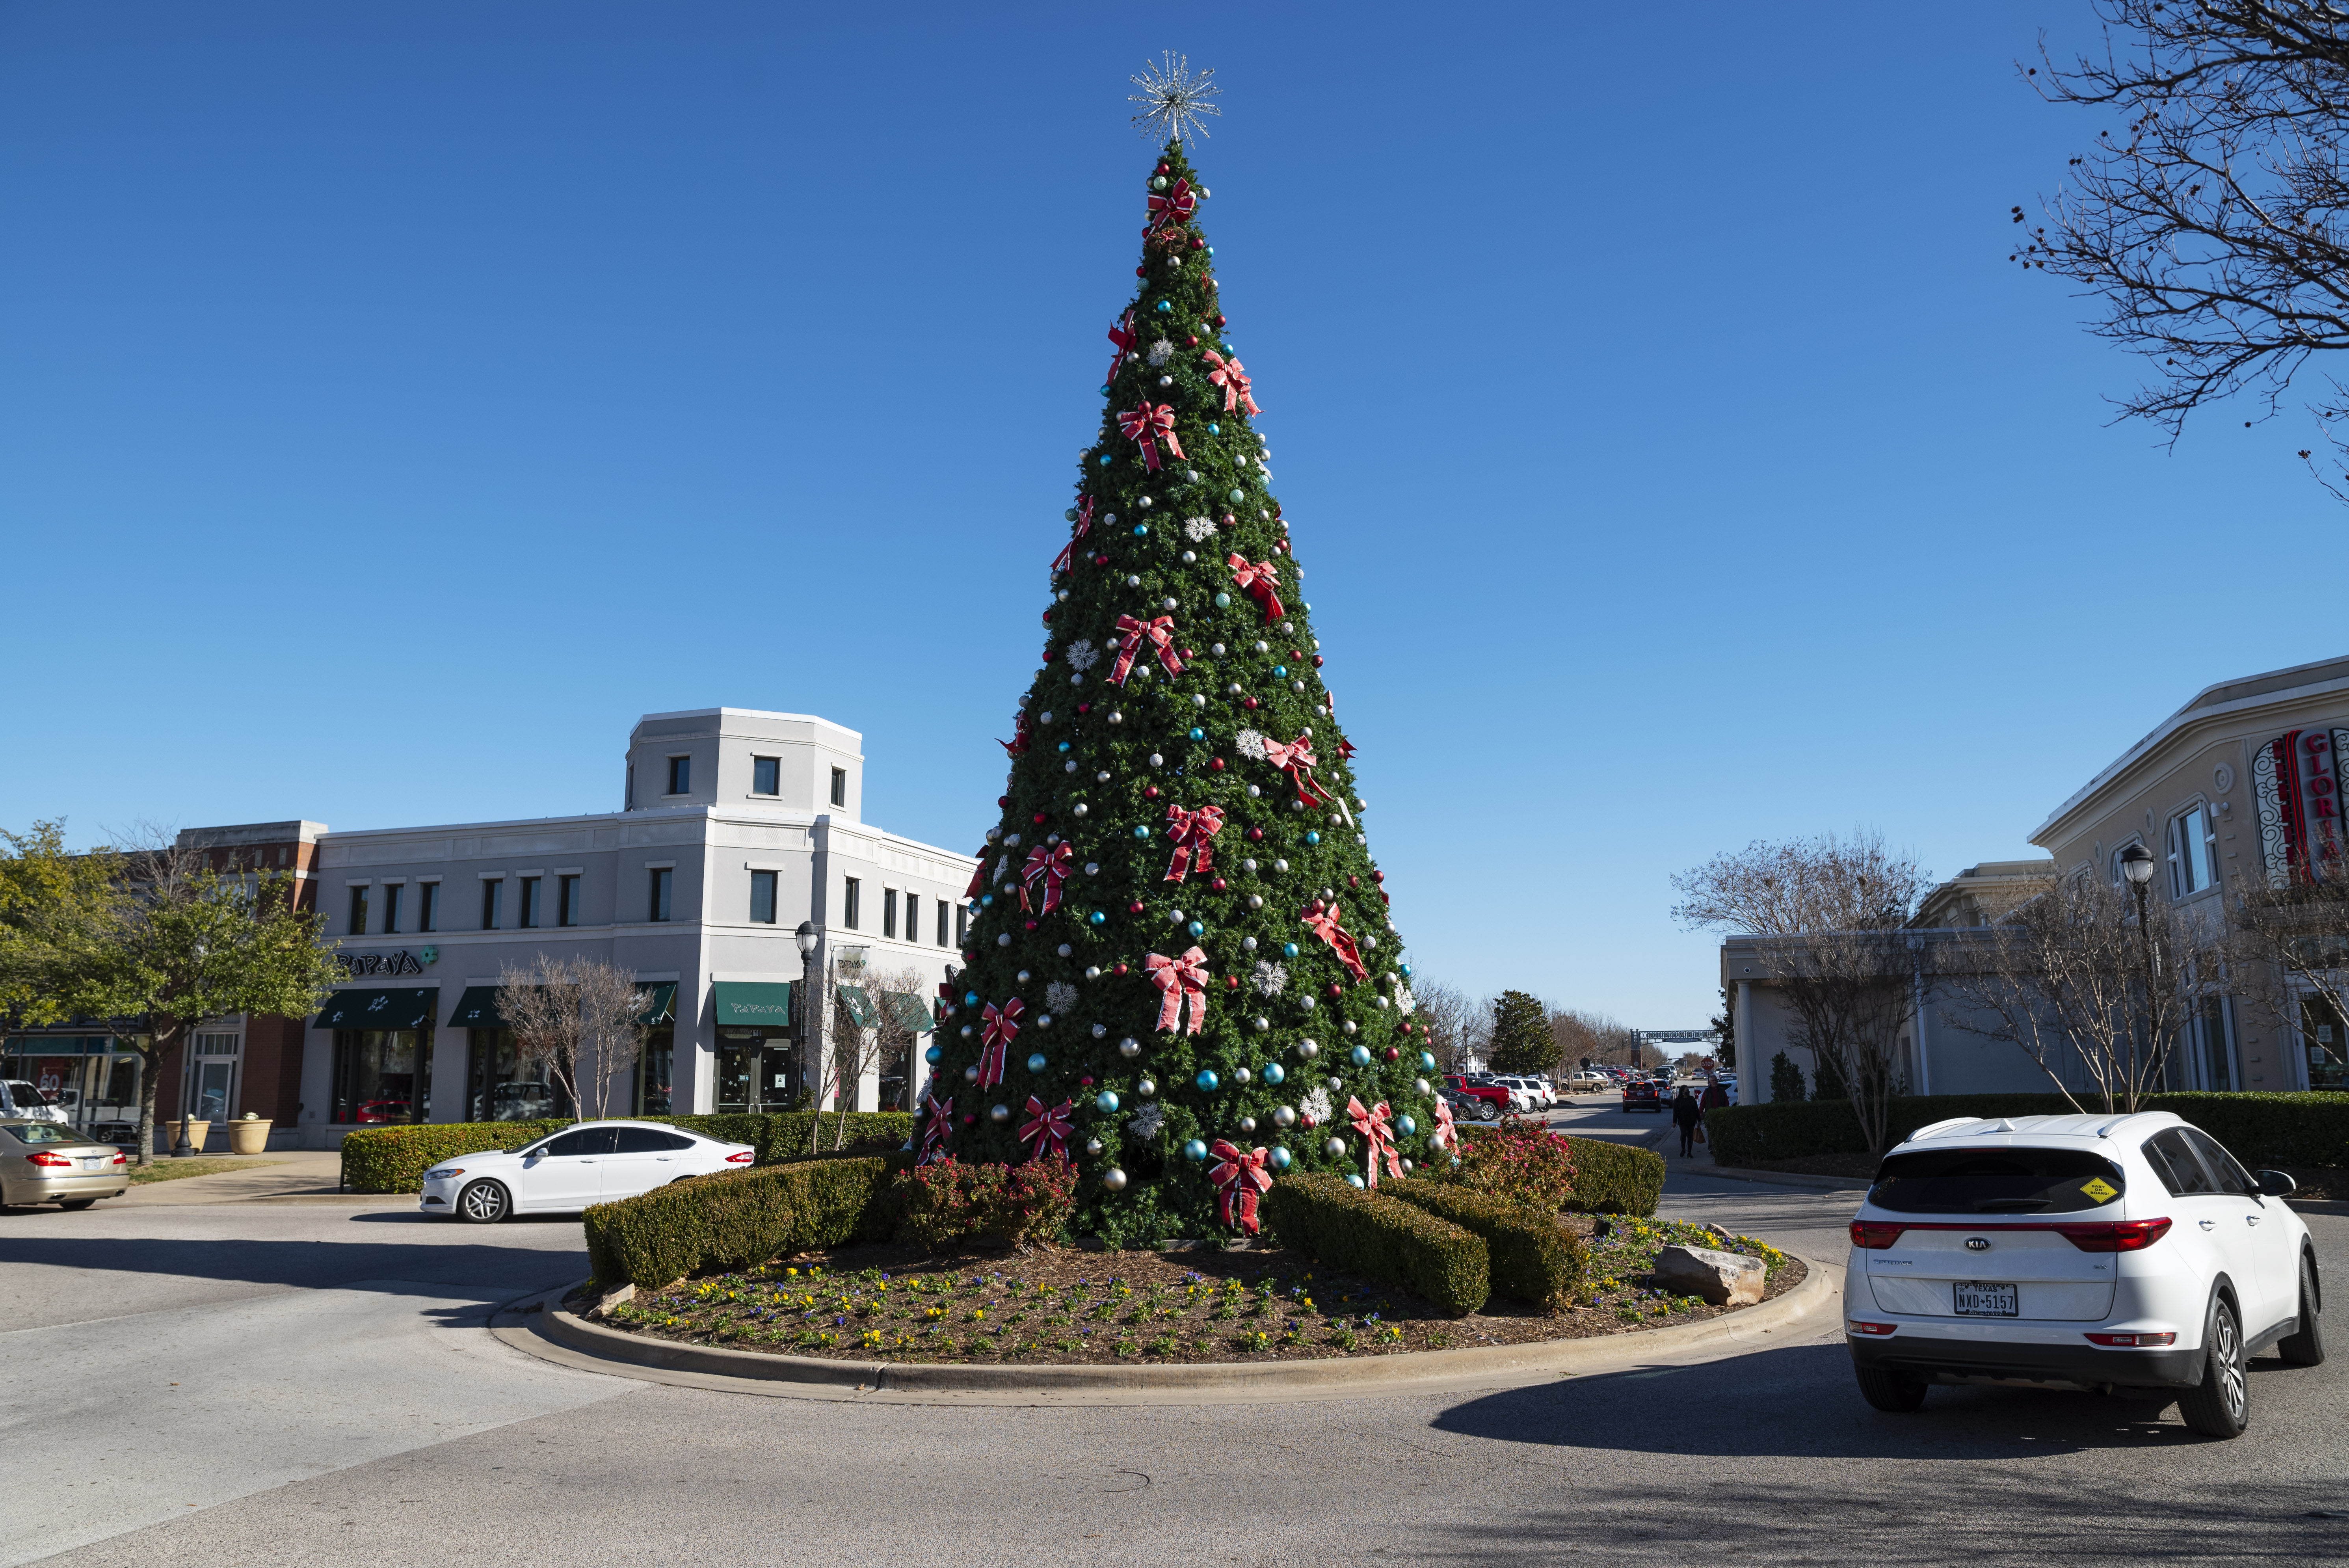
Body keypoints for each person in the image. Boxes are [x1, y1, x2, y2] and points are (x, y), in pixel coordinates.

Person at [1670, 1085, 1702, 1158]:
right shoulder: (1678, 1100)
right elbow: (1676, 1112)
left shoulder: (1692, 1099)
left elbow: (1696, 1110)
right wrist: (1675, 1122)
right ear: (1683, 1092)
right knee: (1683, 1135)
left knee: (1690, 1136)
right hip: (1682, 1121)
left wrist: (1699, 1120)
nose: (1688, 1092)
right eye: (1687, 1090)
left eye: (1688, 1090)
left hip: (1692, 1121)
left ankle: (1689, 1152)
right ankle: (1683, 1149)